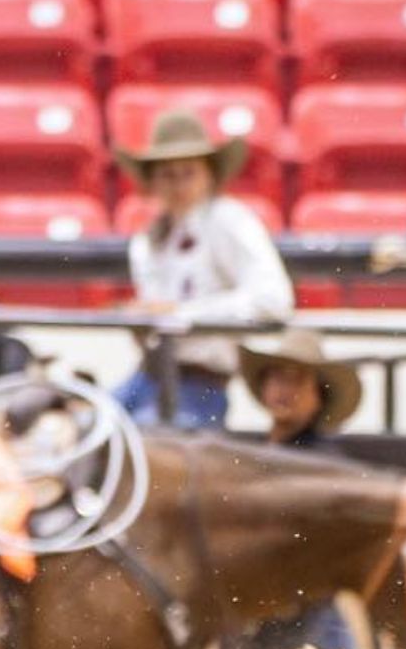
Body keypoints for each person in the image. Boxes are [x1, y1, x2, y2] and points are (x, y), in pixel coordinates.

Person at [113, 110, 294, 428]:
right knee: (82, 425)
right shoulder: (149, 240)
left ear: (208, 175)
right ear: (153, 181)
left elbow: (273, 301)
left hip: (200, 384)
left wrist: (181, 313)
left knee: (147, 441)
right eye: (168, 174)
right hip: (149, 375)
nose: (178, 184)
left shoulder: (229, 221)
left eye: (188, 172)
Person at [236, 329, 362, 649]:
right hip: (265, 614)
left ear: (317, 395)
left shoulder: (324, 463)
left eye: (296, 381)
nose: (284, 390)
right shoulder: (262, 456)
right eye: (277, 378)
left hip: (308, 616)